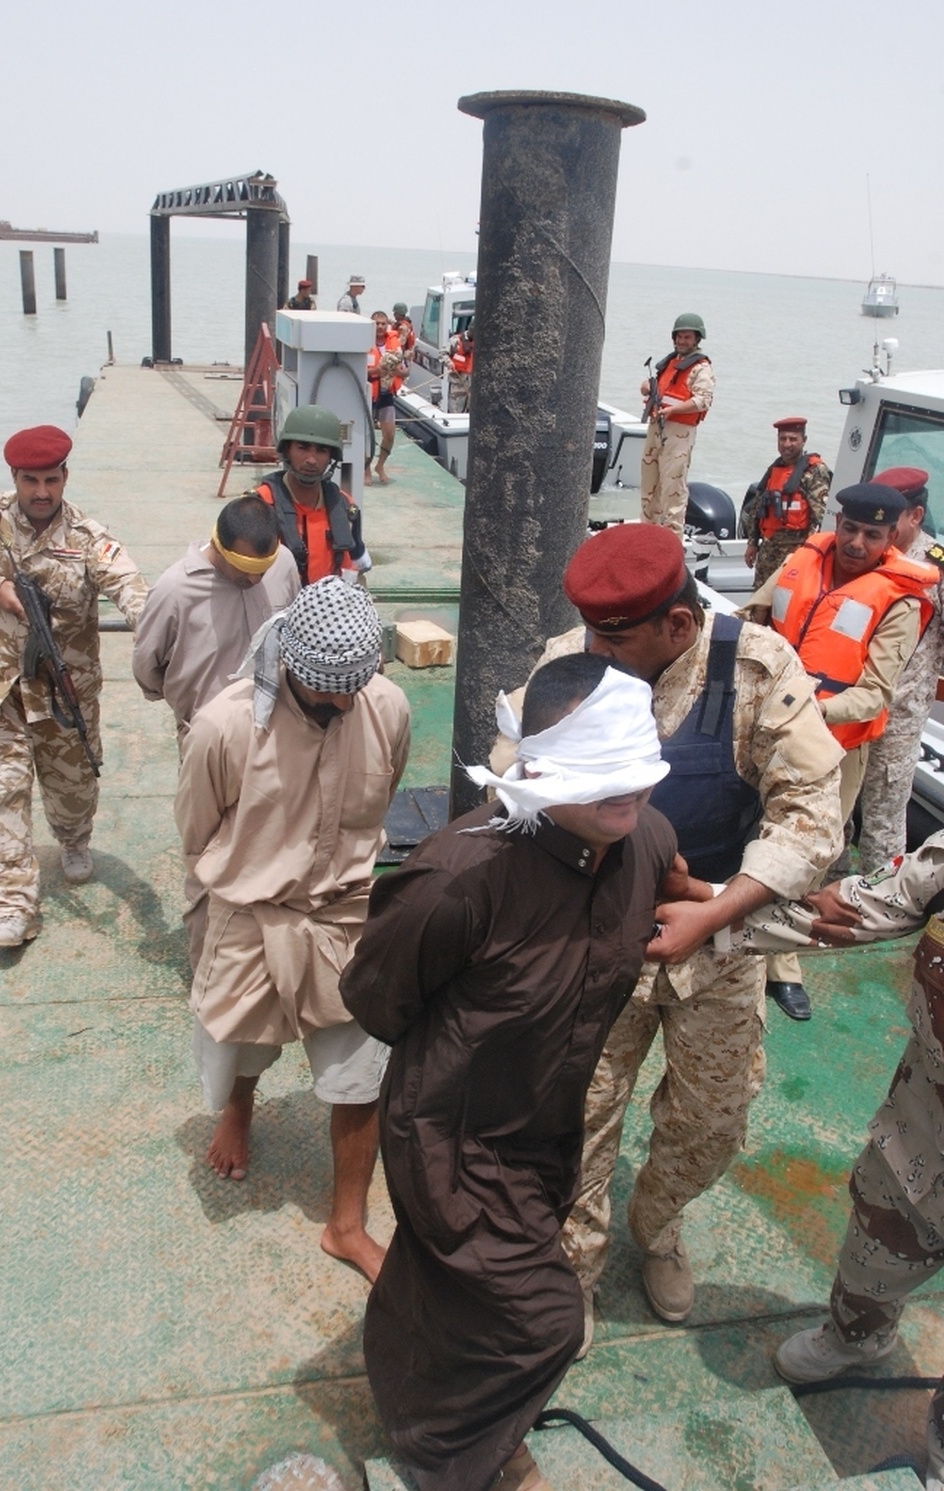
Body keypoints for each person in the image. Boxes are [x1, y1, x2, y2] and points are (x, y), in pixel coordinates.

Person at [491, 524, 843, 1335]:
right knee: (579, 1108)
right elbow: (510, 766)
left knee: (711, 1120)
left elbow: (813, 820)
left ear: (676, 627)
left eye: (611, 636)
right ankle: (570, 1267)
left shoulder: (757, 670)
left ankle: (658, 1223)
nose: (590, 647)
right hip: (597, 928)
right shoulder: (569, 658)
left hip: (719, 936)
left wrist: (713, 910)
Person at [341, 653, 680, 1491]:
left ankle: (408, 1384)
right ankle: (446, 1452)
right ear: (537, 766)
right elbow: (376, 996)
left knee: (444, 1282)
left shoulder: (644, 842)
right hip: (451, 1136)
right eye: (601, 775)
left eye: (637, 773)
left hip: (547, 1123)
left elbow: (667, 885)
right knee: (546, 1322)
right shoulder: (461, 877)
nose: (627, 795)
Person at [175, 577, 410, 1285]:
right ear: (292, 664)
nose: (343, 702)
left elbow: (386, 790)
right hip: (252, 909)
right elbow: (196, 828)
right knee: (240, 1045)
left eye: (355, 686)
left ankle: (346, 1224)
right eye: (326, 688)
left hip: (344, 911)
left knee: (360, 1074)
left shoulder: (387, 707)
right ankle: (239, 1113)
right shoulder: (224, 725)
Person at [713, 837, 944, 1491]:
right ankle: (857, 1335)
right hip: (921, 1137)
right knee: (875, 1244)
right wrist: (707, 916)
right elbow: (843, 909)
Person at [0, 425, 147, 948]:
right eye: (30, 480)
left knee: (74, 790)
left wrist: (153, 626)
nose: (40, 492)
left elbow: (128, 584)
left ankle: (74, 840)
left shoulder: (84, 537)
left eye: (51, 480)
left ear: (65, 478)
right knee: (5, 791)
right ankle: (13, 906)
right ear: (13, 478)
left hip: (63, 693)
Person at [743, 482, 936, 1020]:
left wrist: (805, 710)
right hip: (762, 725)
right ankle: (733, 937)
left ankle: (783, 964)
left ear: (892, 536)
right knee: (744, 831)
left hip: (832, 743)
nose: (855, 542)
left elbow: (874, 693)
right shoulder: (805, 560)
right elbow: (752, 619)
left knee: (810, 852)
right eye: (849, 528)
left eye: (871, 535)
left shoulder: (899, 599)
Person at [132, 494, 299, 739]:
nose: (254, 579)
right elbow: (146, 665)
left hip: (276, 733)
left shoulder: (284, 563)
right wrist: (189, 702)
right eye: (244, 568)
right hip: (208, 737)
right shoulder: (175, 590)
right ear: (218, 545)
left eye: (262, 570)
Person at [856, 467, 944, 872]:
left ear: (916, 515)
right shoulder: (869, 554)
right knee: (834, 800)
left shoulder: (936, 568)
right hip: (852, 700)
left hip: (900, 714)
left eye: (894, 518)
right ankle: (828, 886)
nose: (883, 526)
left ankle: (878, 894)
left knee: (885, 811)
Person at [255, 407, 366, 584]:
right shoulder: (260, 506)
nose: (312, 460)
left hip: (330, 607)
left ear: (331, 457)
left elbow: (358, 572)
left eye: (321, 450)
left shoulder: (345, 507)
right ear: (287, 451)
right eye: (302, 448)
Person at [640, 313, 715, 536]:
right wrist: (646, 385)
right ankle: (646, 534)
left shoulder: (701, 368)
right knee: (649, 485)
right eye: (680, 336)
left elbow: (703, 400)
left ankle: (672, 539)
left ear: (697, 339)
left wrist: (673, 410)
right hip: (656, 428)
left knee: (673, 487)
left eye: (688, 337)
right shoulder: (670, 363)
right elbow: (662, 388)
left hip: (679, 433)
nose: (682, 341)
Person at [742, 416, 831, 587]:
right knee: (760, 603)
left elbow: (821, 516)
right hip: (768, 553)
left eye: (793, 439)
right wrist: (752, 543)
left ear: (803, 441)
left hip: (796, 554)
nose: (787, 444)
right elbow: (757, 509)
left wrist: (810, 555)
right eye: (783, 439)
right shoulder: (775, 469)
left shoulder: (814, 472)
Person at [366, 311, 403, 486]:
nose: (380, 327)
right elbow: (354, 371)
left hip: (387, 394)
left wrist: (395, 371)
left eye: (383, 323)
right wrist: (374, 372)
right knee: (366, 435)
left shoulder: (394, 346)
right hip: (368, 394)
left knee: (389, 434)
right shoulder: (363, 343)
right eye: (377, 323)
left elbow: (406, 371)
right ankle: (366, 469)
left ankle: (380, 465)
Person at [445, 320, 475, 413]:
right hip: (457, 384)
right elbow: (442, 353)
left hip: (471, 385)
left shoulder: (479, 343)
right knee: (455, 411)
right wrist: (449, 363)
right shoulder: (456, 340)